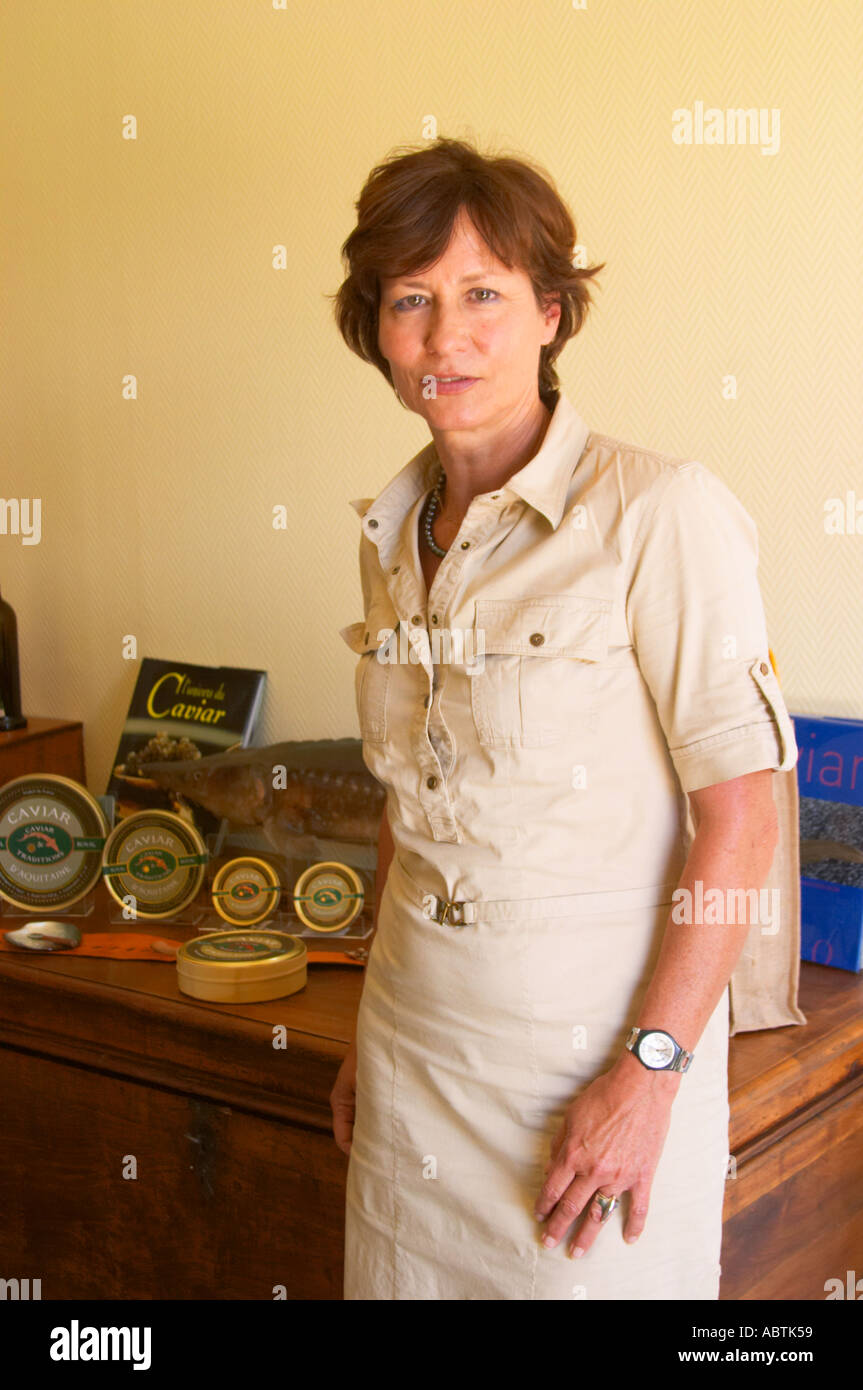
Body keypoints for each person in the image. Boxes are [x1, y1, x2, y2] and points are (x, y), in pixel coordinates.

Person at [328, 136, 798, 1300]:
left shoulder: (657, 512)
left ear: (548, 312)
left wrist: (650, 1075)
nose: (446, 338)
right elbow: (412, 804)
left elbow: (740, 819)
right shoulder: (390, 535)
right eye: (410, 302)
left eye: (482, 294)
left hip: (588, 1084)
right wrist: (359, 1033)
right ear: (375, 332)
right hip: (408, 1062)